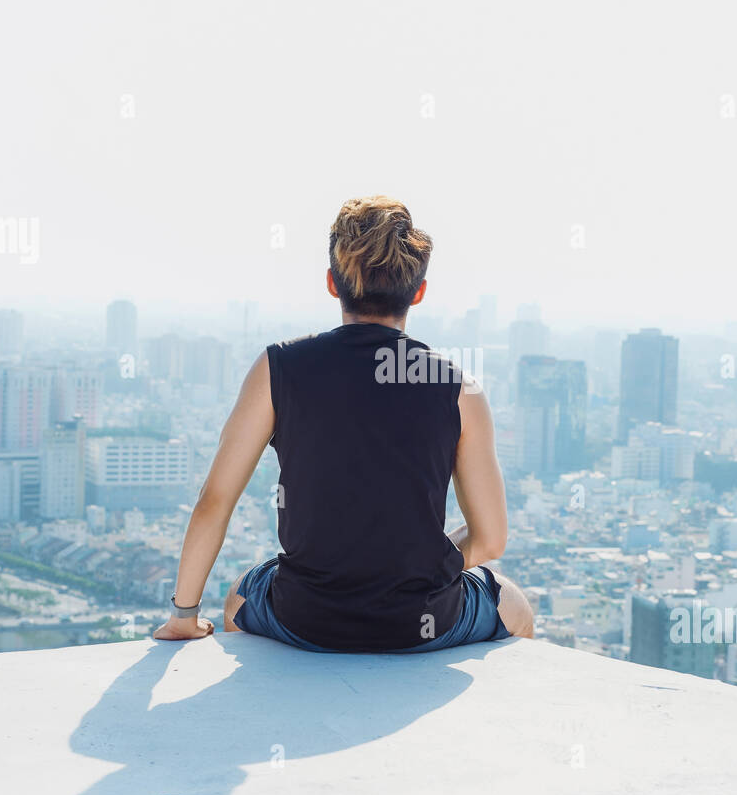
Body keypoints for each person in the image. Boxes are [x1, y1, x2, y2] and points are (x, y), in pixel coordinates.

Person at [153, 195, 533, 651]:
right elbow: (491, 540)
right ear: (419, 292)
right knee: (516, 607)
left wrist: (183, 616)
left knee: (239, 596)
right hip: (422, 621)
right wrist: (434, 563)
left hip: (305, 618)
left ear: (333, 284)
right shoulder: (458, 388)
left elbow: (215, 500)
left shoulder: (278, 368)